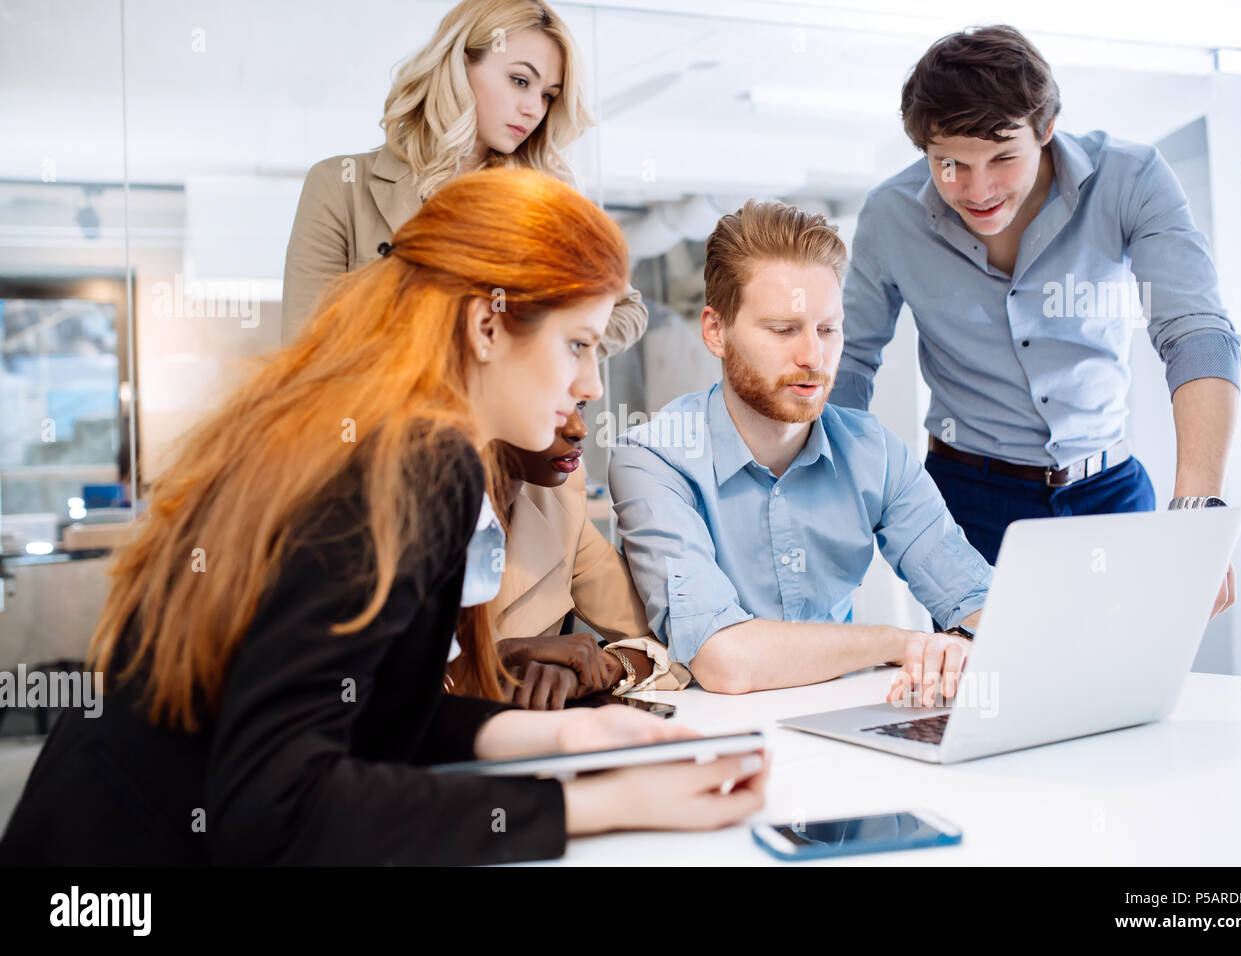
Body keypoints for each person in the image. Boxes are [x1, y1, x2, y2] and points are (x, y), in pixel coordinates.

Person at [0, 168, 765, 867]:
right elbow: (279, 805)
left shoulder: (376, 434)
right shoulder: (407, 465)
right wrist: (593, 804)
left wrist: (565, 734)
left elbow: (362, 711)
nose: (592, 384)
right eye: (577, 344)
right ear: (487, 326)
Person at [827, 25, 1239, 618]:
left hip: (1110, 492)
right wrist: (833, 494)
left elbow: (1197, 334)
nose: (978, 190)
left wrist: (1199, 507)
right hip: (967, 498)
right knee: (982, 693)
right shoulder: (892, 216)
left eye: (1002, 158)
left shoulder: (1130, 179)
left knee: (1126, 687)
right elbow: (850, 361)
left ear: (1045, 130)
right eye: (951, 165)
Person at [609, 199, 990, 701]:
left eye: (827, 329)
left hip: (836, 717)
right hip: (709, 739)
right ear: (716, 331)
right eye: (784, 329)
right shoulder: (655, 458)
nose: (814, 357)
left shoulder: (874, 453)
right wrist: (901, 643)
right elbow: (725, 661)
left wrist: (973, 634)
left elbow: (979, 600)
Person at [281, 0, 648, 359]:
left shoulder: (544, 202)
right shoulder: (339, 184)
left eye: (548, 96)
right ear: (459, 65)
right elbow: (303, 351)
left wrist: (530, 353)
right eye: (520, 81)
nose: (534, 109)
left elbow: (627, 310)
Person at [448, 401, 691, 710]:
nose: (580, 429)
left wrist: (597, 669)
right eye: (554, 403)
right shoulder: (408, 499)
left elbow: (677, 644)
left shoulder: (558, 501)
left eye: (580, 405)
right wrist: (494, 662)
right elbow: (379, 683)